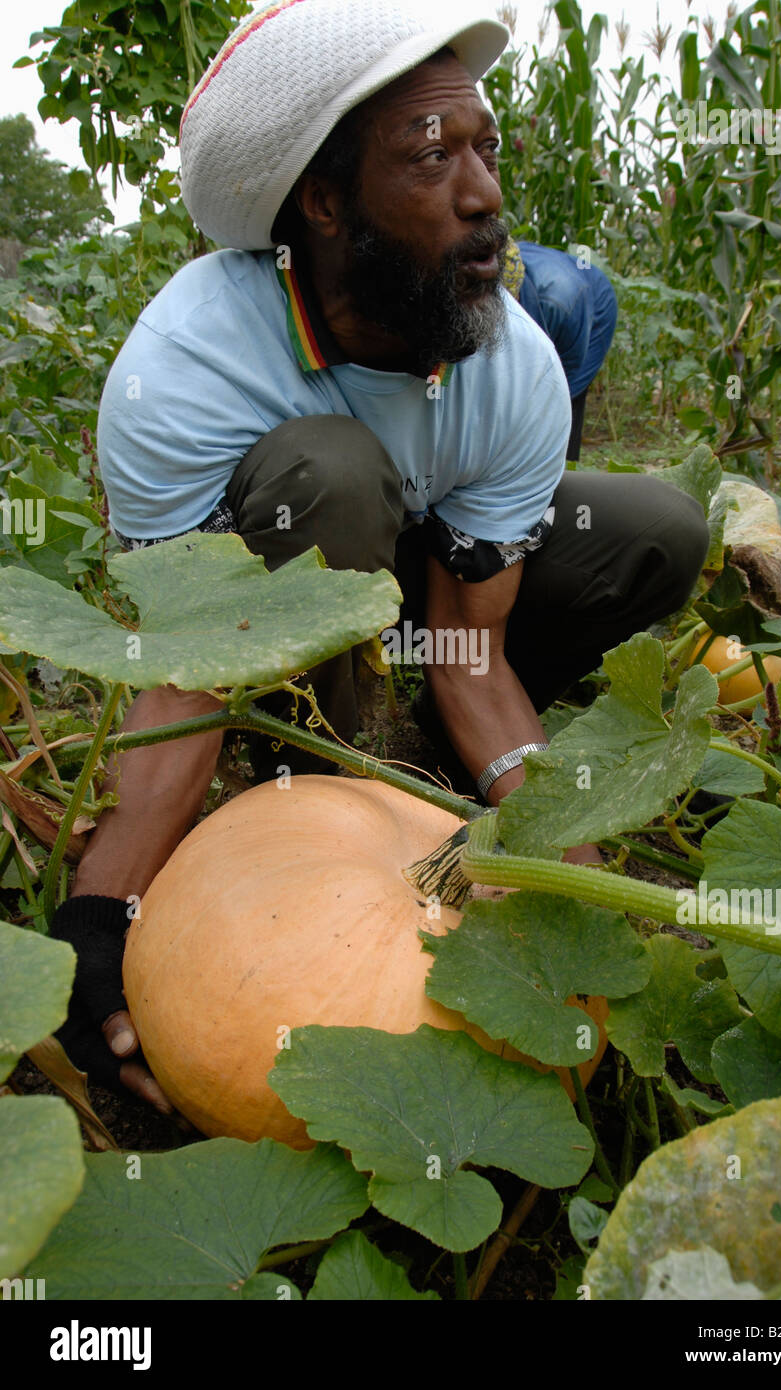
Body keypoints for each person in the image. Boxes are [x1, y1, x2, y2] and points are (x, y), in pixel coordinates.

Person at [49, 0, 708, 1112]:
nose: (485, 193)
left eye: (486, 148)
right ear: (323, 201)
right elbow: (186, 665)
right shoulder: (186, 370)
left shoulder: (514, 365)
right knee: (333, 472)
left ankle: (443, 794)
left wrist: (563, 860)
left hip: (434, 597)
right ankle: (325, 778)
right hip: (281, 596)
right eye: (431, 155)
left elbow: (468, 650)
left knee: (656, 530)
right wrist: (100, 916)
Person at [502, 237, 617, 457]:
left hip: (593, 308)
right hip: (547, 281)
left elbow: (560, 384)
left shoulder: (562, 303)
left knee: (560, 404)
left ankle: (562, 472)